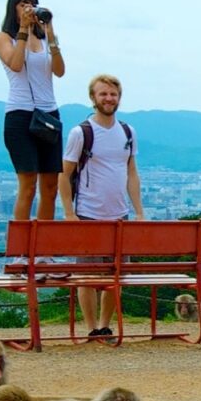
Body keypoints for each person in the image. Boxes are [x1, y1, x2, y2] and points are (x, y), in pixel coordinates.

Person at [63, 74, 144, 339]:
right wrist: (69, 212)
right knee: (87, 274)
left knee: (114, 275)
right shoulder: (81, 133)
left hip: (118, 213)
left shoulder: (128, 132)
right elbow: (64, 173)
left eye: (113, 94)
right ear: (93, 97)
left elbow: (131, 172)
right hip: (89, 212)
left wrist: (138, 210)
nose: (109, 99)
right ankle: (91, 327)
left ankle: (104, 324)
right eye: (103, 94)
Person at [0, 0, 66, 220]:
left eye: (33, 4)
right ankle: (22, 252)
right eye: (23, 4)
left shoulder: (45, 39)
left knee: (50, 187)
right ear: (12, 7)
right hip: (20, 114)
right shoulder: (5, 37)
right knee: (28, 186)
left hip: (49, 113)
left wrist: (50, 33)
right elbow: (15, 64)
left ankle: (44, 251)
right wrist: (24, 29)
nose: (28, 8)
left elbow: (59, 71)